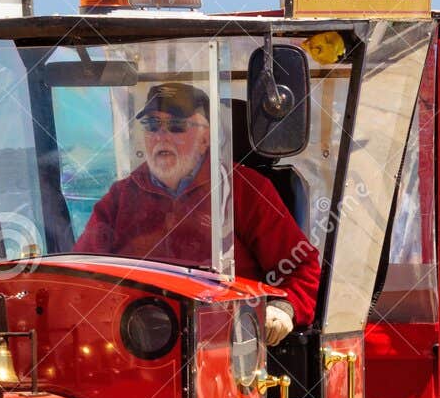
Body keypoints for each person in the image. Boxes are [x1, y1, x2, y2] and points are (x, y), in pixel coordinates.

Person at [72, 82, 320, 344]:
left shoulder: (245, 189)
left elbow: (300, 267)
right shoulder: (120, 197)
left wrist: (283, 309)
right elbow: (81, 275)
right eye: (152, 126)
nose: (161, 136)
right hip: (134, 347)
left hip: (224, 349)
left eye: (177, 127)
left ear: (205, 138)